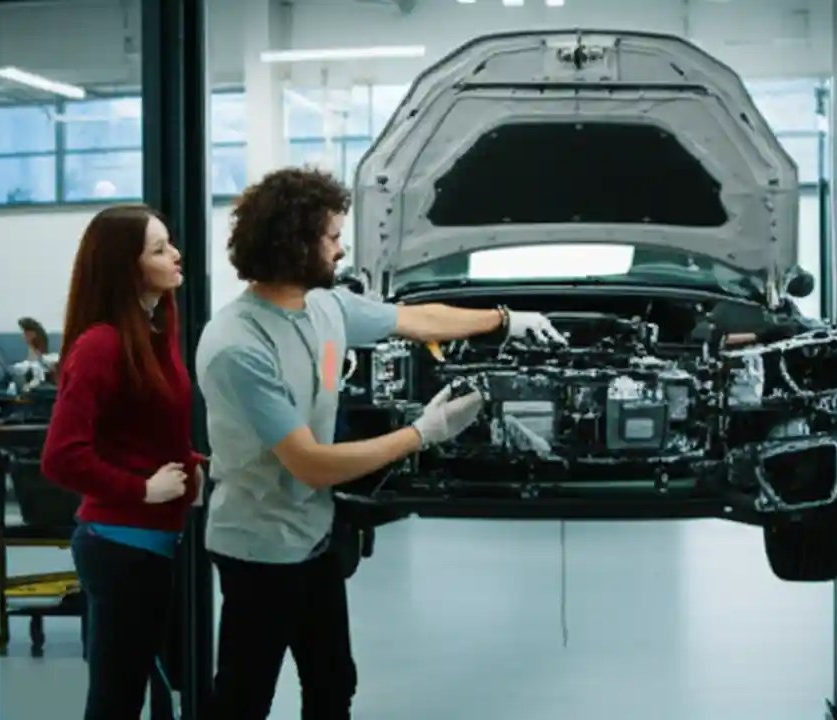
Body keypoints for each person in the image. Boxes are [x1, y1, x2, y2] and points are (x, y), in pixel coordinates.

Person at [195, 167, 566, 719]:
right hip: (261, 548)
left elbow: (416, 320)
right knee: (243, 699)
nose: (341, 250)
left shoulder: (324, 307)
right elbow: (311, 464)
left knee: (332, 684)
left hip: (314, 536)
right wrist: (423, 433)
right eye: (332, 237)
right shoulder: (237, 345)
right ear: (294, 242)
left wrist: (505, 321)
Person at [40, 205, 206, 720]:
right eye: (159, 249)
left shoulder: (156, 334)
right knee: (116, 700)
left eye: (169, 242)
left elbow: (142, 430)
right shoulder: (101, 345)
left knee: (151, 687)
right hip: (120, 547)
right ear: (126, 267)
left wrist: (191, 462)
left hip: (156, 543)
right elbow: (60, 457)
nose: (175, 254)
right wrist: (140, 490)